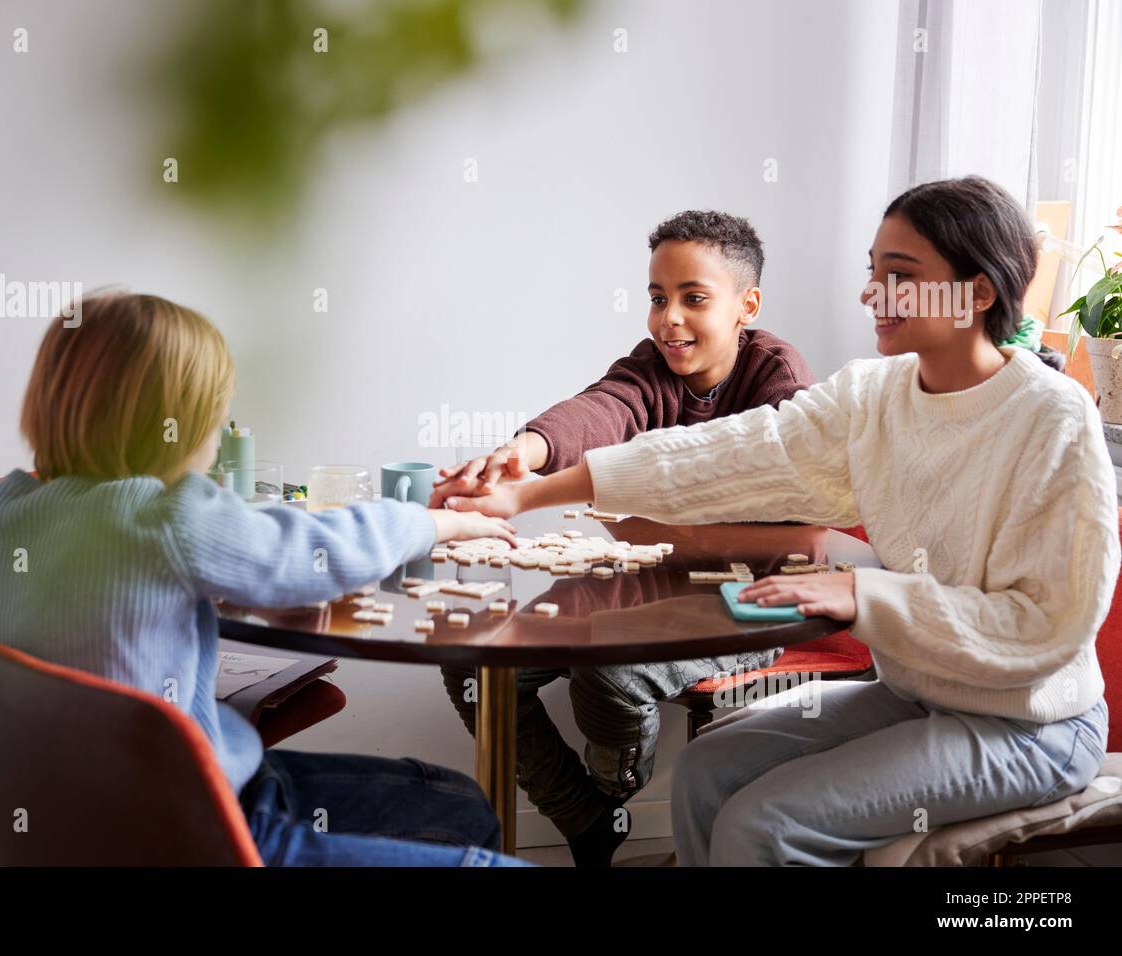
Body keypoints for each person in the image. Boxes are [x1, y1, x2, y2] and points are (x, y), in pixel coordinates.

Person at [442, 177, 1116, 865]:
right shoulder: (872, 395)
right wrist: (527, 494)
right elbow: (721, 455)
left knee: (762, 827)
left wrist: (864, 594)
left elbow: (1046, 623)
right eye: (872, 272)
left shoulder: (1052, 418)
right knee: (705, 775)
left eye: (899, 275)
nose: (870, 294)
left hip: (1031, 724)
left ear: (978, 292)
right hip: (918, 693)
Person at [0, 291, 528, 866]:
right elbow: (312, 550)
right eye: (214, 417)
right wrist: (433, 522)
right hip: (198, 829)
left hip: (78, 826)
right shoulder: (166, 516)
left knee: (461, 806)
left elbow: (115, 604)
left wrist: (243, 595)